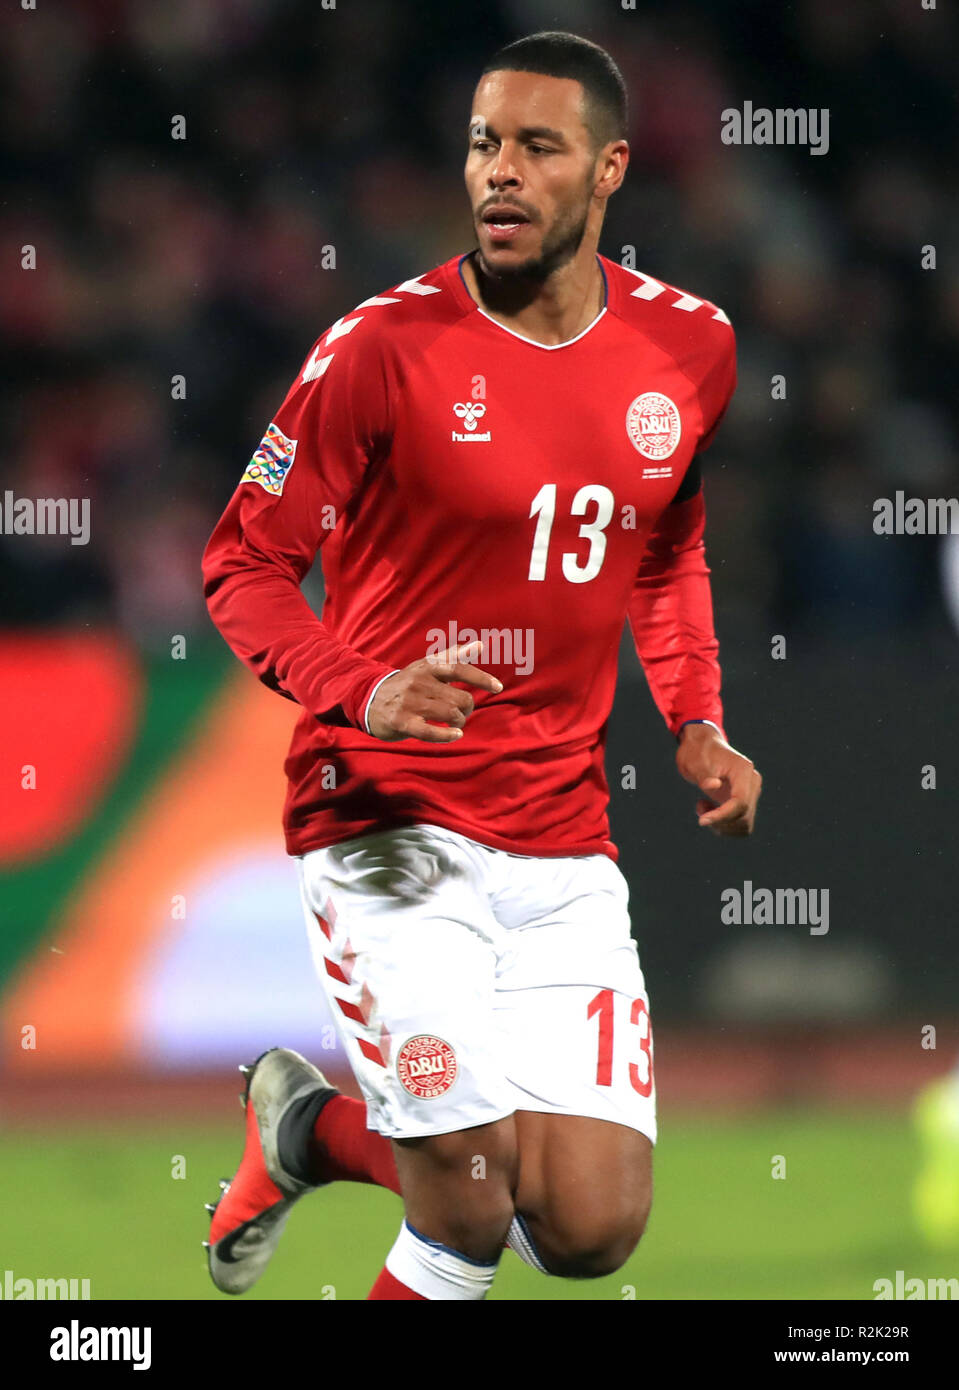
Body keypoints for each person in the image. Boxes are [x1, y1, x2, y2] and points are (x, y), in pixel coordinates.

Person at [200, 30, 762, 1302]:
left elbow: (665, 541)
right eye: (480, 144)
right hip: (385, 807)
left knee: (587, 1229)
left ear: (609, 169)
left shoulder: (691, 350)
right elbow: (240, 563)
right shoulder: (376, 350)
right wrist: (361, 684)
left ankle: (302, 1130)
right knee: (461, 1192)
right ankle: (356, 1150)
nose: (497, 173)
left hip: (560, 829)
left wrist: (694, 717)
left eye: (535, 147)